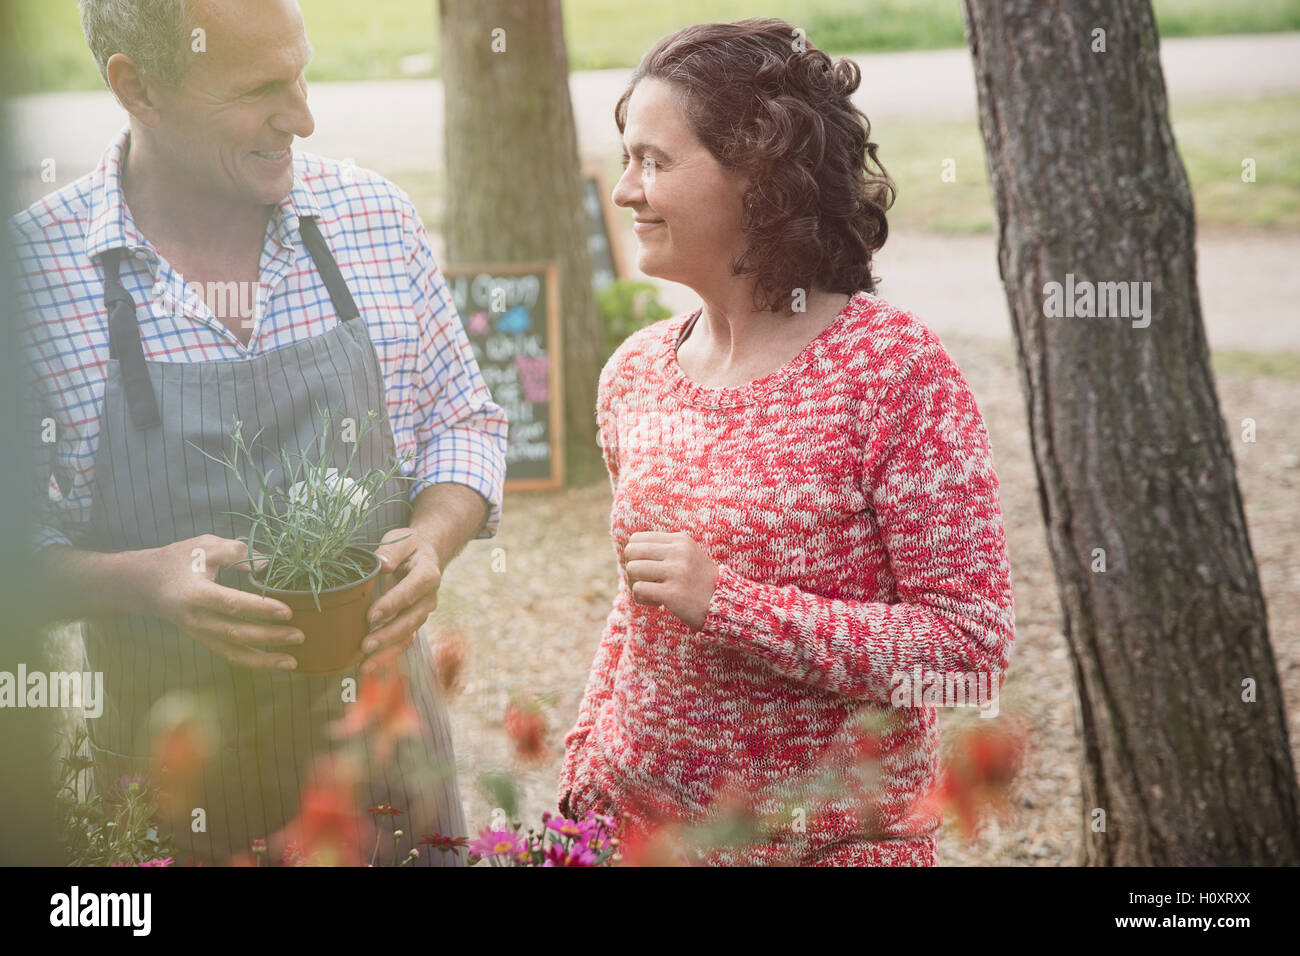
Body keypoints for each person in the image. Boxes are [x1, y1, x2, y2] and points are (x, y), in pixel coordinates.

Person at [12, 0, 507, 865]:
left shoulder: (371, 222)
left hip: (392, 787)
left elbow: (463, 422)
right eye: (260, 89)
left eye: (302, 71)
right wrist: (144, 581)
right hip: (174, 806)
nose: (305, 116)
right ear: (138, 87)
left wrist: (433, 538)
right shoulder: (35, 279)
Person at [557, 19, 1016, 866]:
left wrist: (732, 603)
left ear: (760, 181)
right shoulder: (634, 373)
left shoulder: (892, 372)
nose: (624, 191)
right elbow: (643, 604)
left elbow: (967, 656)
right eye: (626, 158)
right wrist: (584, 766)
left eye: (654, 161)